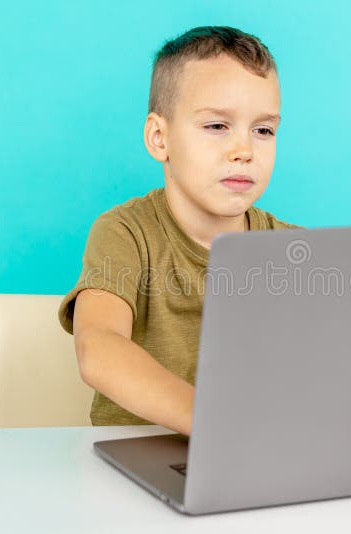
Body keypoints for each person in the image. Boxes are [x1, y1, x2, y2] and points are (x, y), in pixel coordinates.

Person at [57, 26, 303, 436]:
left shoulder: (296, 249)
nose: (244, 150)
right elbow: (97, 347)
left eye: (263, 130)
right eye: (217, 126)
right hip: (139, 454)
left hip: (253, 457)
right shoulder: (126, 233)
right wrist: (212, 423)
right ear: (159, 137)